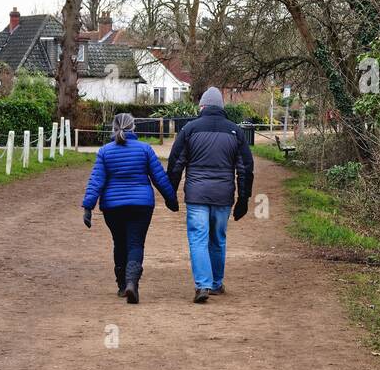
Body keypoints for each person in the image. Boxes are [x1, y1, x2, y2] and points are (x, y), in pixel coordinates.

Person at [167, 86, 254, 304]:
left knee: (198, 238)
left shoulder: (190, 129)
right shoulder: (236, 132)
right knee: (218, 239)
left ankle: (202, 285)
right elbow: (245, 169)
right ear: (222, 107)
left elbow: (175, 165)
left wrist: (171, 194)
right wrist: (243, 199)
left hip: (196, 194)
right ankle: (216, 284)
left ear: (202, 106)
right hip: (223, 195)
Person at [82, 113, 179, 304]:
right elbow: (159, 177)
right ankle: (131, 283)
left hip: (113, 206)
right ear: (133, 127)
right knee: (135, 243)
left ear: (114, 128)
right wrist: (171, 199)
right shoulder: (145, 149)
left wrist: (88, 207)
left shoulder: (105, 151)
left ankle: (121, 285)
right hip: (141, 205)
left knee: (119, 243)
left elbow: (96, 181)